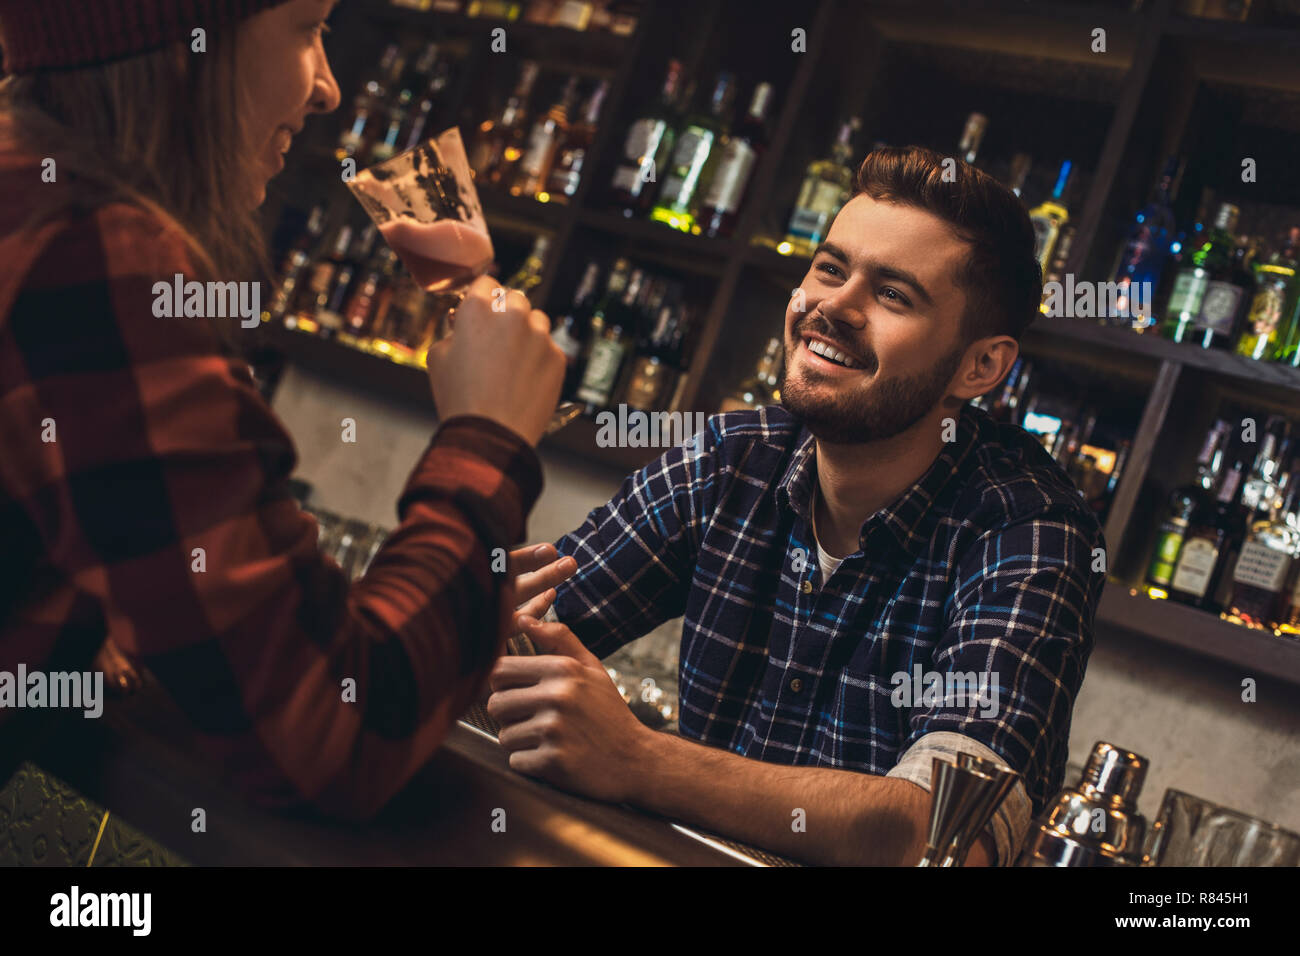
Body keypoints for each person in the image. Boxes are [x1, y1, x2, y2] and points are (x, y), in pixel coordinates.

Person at [0, 0, 570, 819]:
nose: (332, 88)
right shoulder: (91, 253)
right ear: (187, 47)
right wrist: (488, 438)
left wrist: (453, 590)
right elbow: (338, 732)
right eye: (309, 27)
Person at [488, 146, 1106, 866]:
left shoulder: (1028, 533)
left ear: (981, 366)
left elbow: (945, 835)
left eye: (893, 295)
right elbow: (507, 645)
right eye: (830, 268)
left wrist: (637, 759)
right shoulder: (731, 461)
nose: (833, 308)